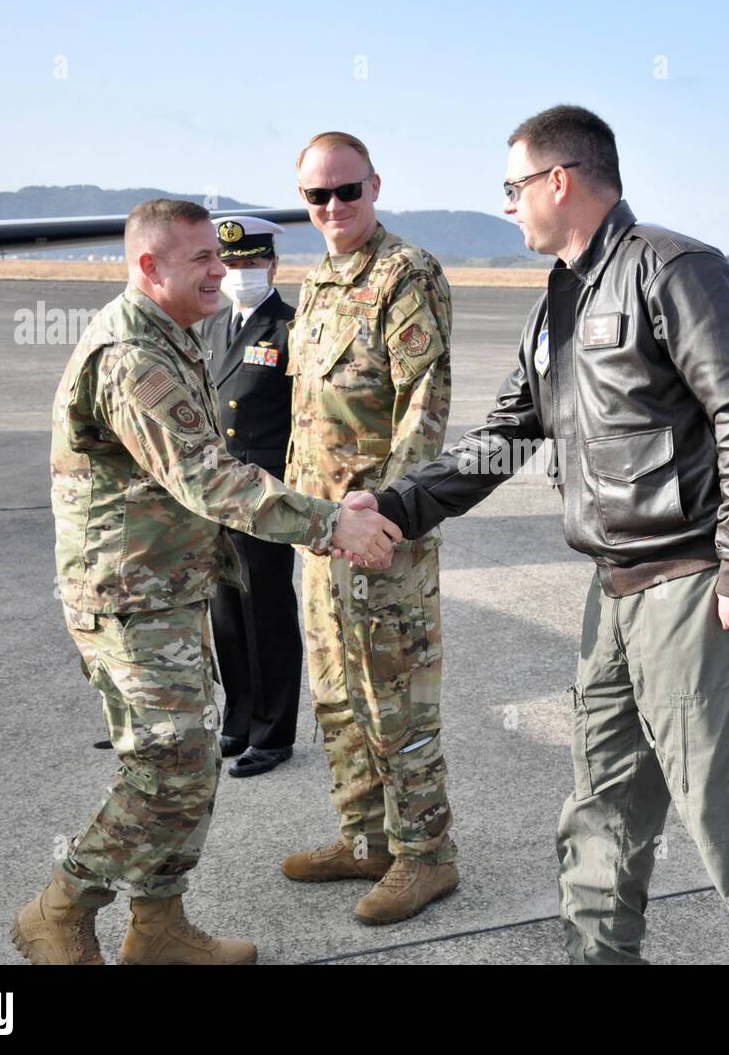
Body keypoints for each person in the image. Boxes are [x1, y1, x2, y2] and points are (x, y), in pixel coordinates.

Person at [349, 106, 729, 964]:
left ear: (560, 181)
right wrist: (400, 506)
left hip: (691, 587)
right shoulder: (555, 303)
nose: (508, 205)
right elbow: (506, 434)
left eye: (513, 187)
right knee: (601, 809)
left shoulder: (672, 269)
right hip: (613, 593)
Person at [10, 199, 401, 966]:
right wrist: (330, 525)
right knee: (166, 767)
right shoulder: (134, 355)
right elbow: (207, 478)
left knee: (185, 763)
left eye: (222, 259)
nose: (221, 271)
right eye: (202, 261)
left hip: (164, 586)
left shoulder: (172, 333)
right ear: (150, 267)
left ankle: (157, 927)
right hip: (127, 598)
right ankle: (60, 905)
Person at [277, 132, 458, 926]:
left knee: (398, 701)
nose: (333, 208)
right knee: (337, 696)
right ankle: (364, 839)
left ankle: (427, 856)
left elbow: (426, 409)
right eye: (317, 197)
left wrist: (386, 511)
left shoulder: (404, 273)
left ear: (374, 186)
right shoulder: (315, 283)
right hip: (319, 535)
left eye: (347, 191)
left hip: (381, 537)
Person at [201, 215, 302, 778]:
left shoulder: (293, 327)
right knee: (226, 613)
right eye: (232, 264)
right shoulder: (213, 327)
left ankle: (274, 732)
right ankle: (238, 720)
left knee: (266, 610)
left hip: (265, 492)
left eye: (250, 263)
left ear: (273, 266)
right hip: (217, 494)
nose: (240, 273)